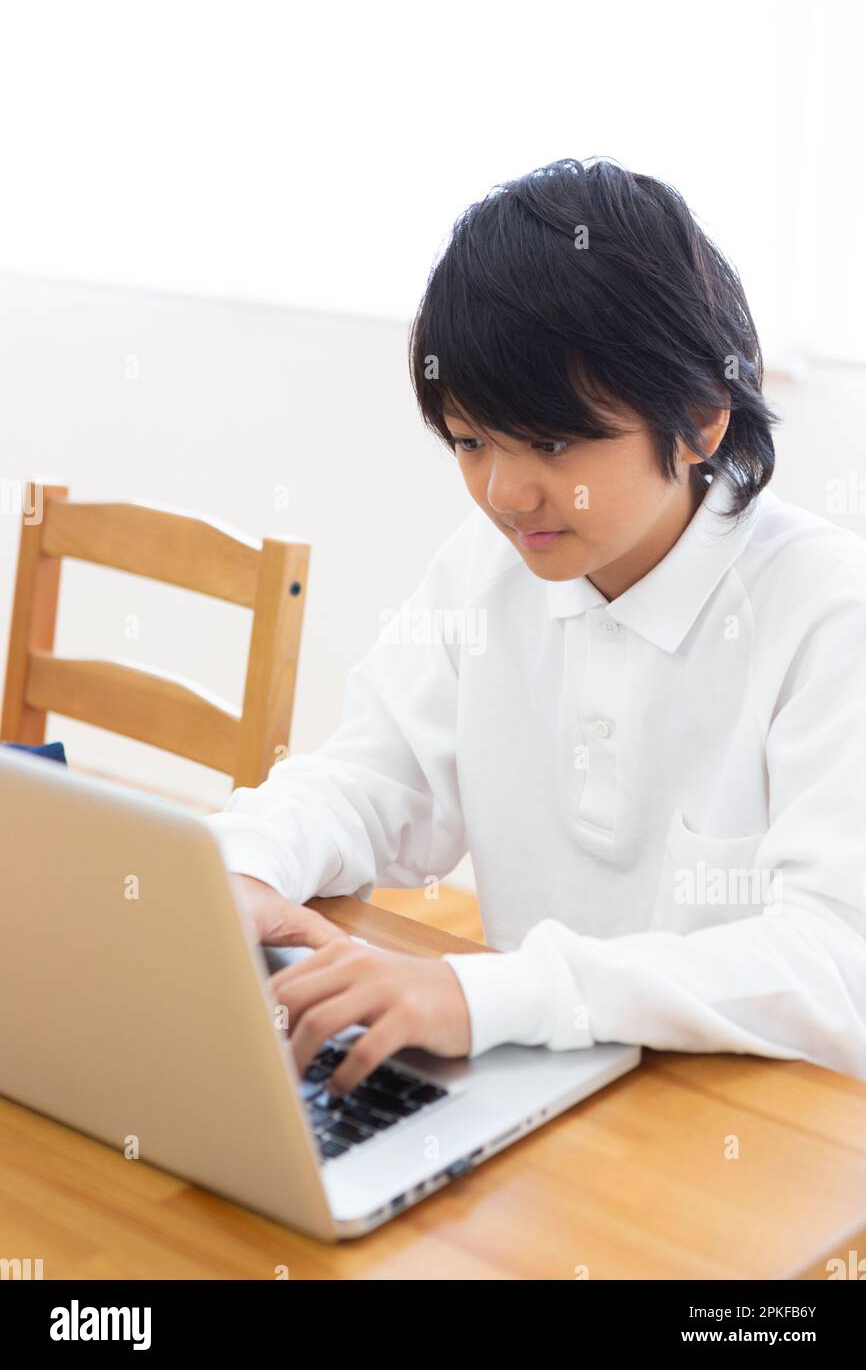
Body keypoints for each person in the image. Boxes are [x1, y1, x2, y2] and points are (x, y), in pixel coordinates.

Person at [206, 156, 866, 1096]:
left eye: (553, 444)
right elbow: (372, 780)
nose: (504, 495)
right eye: (472, 442)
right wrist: (242, 868)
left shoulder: (829, 612)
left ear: (702, 420)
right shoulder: (491, 567)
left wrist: (491, 996)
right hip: (533, 1101)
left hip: (743, 1143)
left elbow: (835, 966)